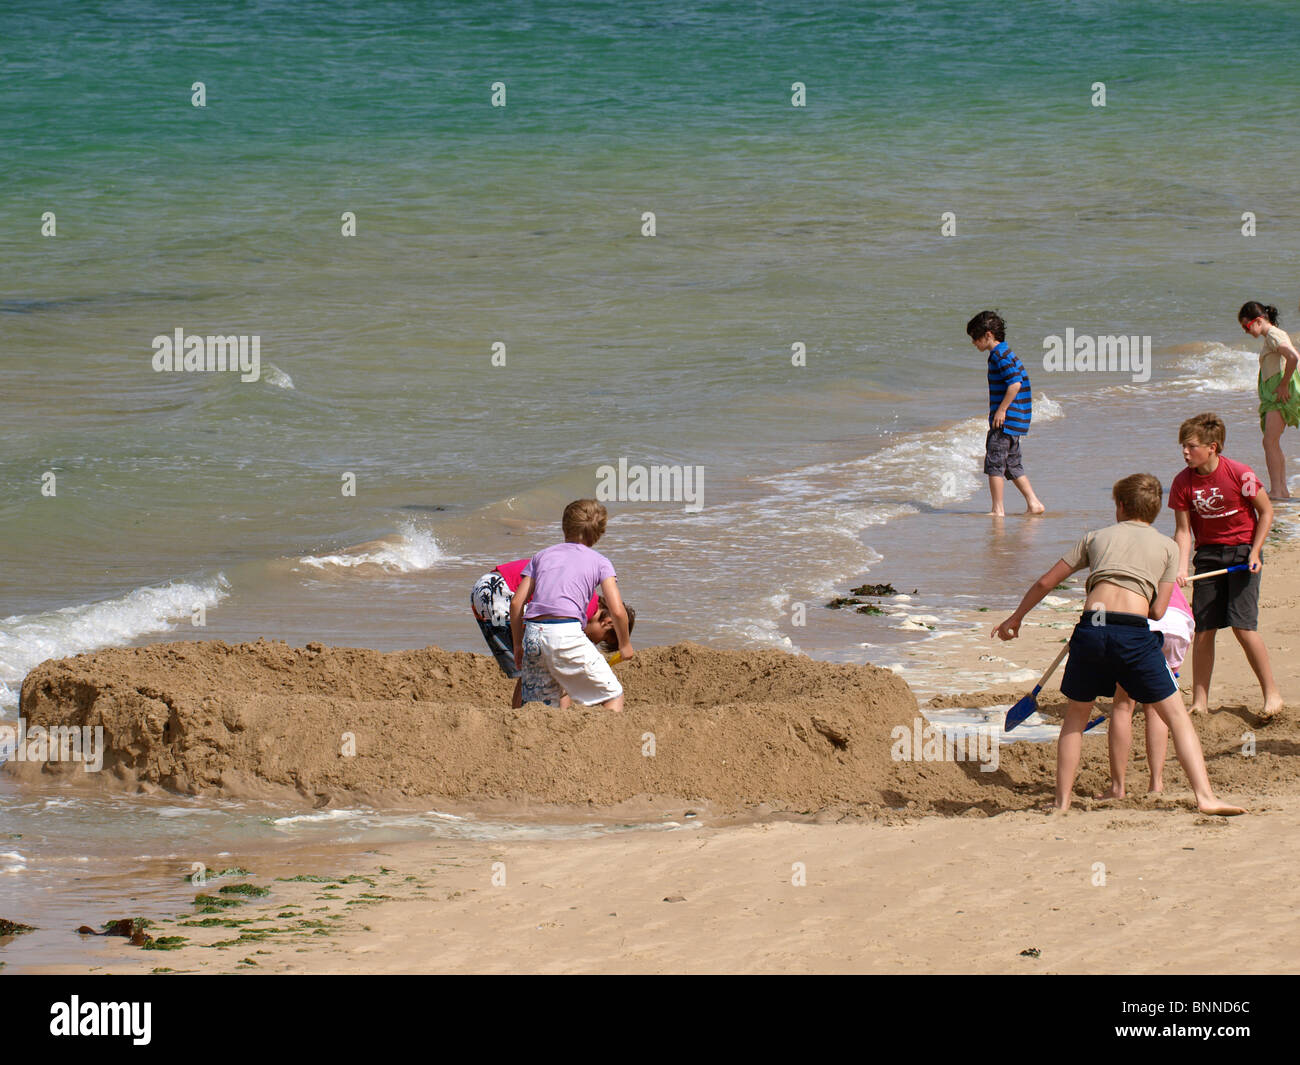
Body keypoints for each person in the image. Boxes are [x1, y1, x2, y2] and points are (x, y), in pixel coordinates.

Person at [992, 473, 1244, 815]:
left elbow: (1045, 582)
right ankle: (1205, 798)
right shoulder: (1168, 548)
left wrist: (1015, 618)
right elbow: (1157, 611)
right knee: (1177, 716)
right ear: (1155, 511)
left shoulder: (1095, 538)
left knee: (1075, 718)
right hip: (1133, 632)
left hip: (1091, 629)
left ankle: (1062, 802)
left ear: (1120, 506)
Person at [1170, 412, 1282, 718]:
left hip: (1243, 555)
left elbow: (1266, 512)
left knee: (1243, 627)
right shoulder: (1182, 481)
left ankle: (1271, 694)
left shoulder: (1239, 473)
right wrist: (1182, 568)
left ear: (1213, 447)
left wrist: (1255, 552)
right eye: (1183, 446)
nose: (1185, 452)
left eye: (1191, 446)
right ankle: (1200, 701)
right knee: (1204, 629)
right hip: (1207, 557)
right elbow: (1183, 531)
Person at [510, 499, 634, 710]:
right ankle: (608, 743)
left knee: (543, 708)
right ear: (599, 533)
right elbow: (617, 612)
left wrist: (517, 644)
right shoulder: (600, 562)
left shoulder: (541, 556)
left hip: (533, 636)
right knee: (613, 694)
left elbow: (516, 604)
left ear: (564, 526)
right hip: (565, 632)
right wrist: (624, 645)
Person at [471, 559, 634, 708]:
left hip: (483, 590)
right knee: (552, 663)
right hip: (502, 592)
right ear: (608, 622)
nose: (594, 643)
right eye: (602, 639)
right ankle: (551, 718)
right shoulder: (586, 605)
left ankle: (518, 718)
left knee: (530, 666)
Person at [1096, 582, 1194, 799]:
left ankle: (1117, 787)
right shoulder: (1164, 552)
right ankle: (1156, 784)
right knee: (1157, 704)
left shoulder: (1121, 562)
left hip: (1142, 623)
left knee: (1123, 704)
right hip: (1178, 625)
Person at [966, 310, 1045, 517]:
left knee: (994, 462)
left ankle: (997, 509)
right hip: (1016, 420)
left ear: (988, 335)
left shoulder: (998, 356)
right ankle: (1034, 502)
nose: (974, 342)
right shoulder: (1007, 353)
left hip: (1005, 421)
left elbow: (1015, 383)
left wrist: (1001, 410)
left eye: (975, 337)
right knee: (1012, 464)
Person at [1238, 301, 1300, 500]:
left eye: (1246, 327)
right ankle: (1281, 490)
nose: (1246, 332)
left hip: (1279, 396)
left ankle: (1278, 491)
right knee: (1271, 441)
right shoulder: (1274, 335)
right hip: (1276, 396)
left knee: (1269, 441)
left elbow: (1293, 357)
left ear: (1258, 320)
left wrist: (1283, 385)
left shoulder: (1273, 335)